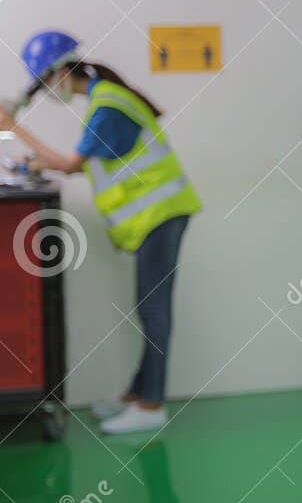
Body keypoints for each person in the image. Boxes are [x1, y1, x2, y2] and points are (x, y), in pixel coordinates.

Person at [0, 30, 202, 435]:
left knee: (153, 309)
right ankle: (136, 395)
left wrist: (12, 127)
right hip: (156, 216)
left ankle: (151, 405)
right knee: (150, 307)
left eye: (44, 83)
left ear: (60, 72)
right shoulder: (104, 99)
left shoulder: (107, 106)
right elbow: (83, 162)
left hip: (160, 214)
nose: (45, 92)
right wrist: (36, 162)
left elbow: (73, 163)